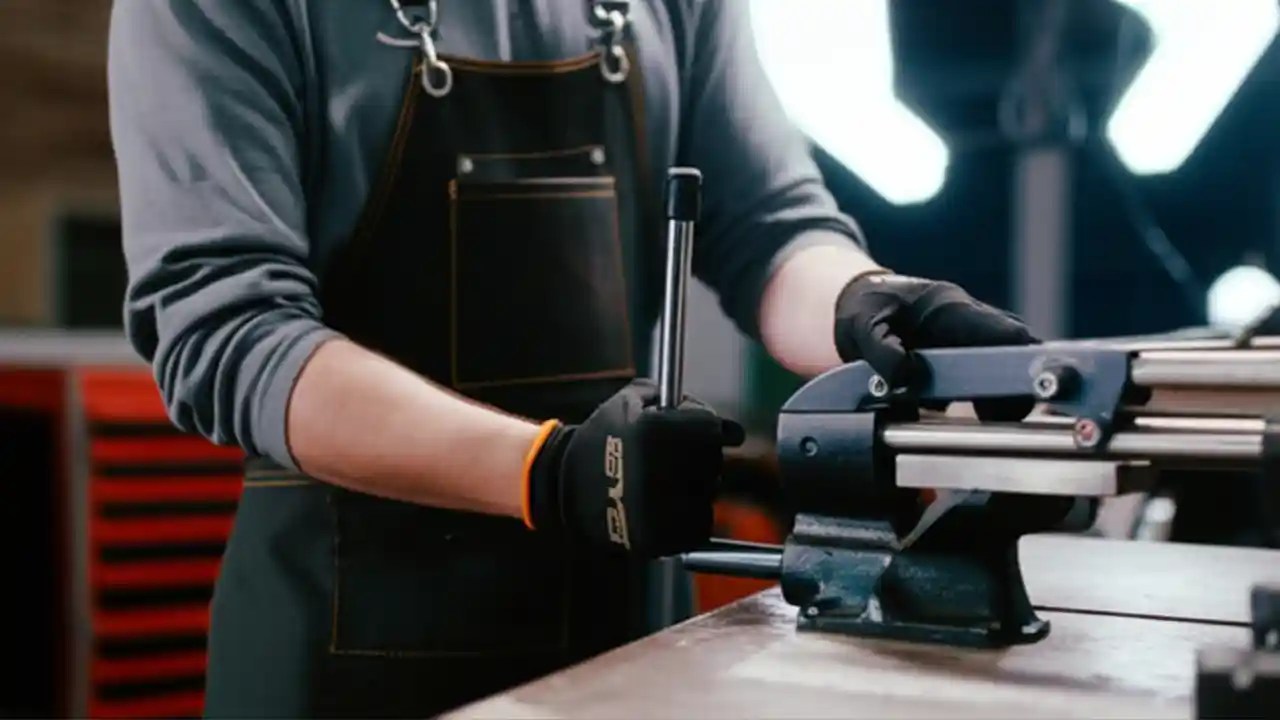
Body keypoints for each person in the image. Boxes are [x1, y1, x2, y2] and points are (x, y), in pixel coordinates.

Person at [107, 1, 1035, 717]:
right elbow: (232, 333)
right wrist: (551, 472)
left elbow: (771, 227)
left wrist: (863, 301)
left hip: (627, 647)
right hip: (354, 651)